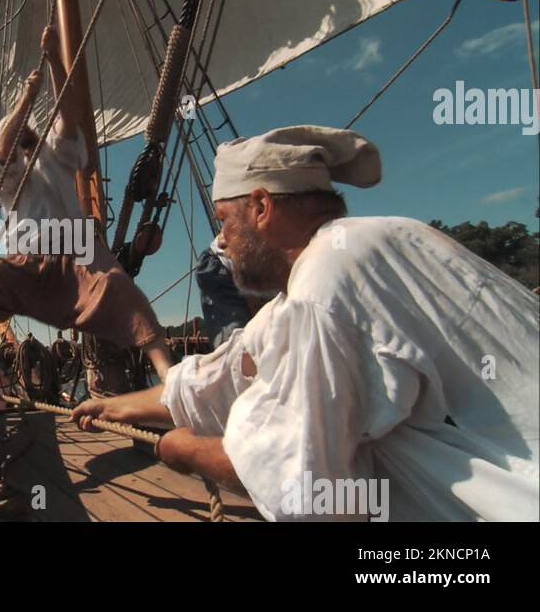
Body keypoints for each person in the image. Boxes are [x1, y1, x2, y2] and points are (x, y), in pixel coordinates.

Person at [72, 125, 539, 521]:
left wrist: (184, 452)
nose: (222, 242)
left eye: (225, 221)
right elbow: (228, 372)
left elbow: (310, 485)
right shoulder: (345, 258)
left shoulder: (331, 273)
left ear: (261, 206)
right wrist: (116, 408)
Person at [0, 25, 174, 384]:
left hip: (77, 253)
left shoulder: (60, 153)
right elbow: (2, 145)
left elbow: (67, 114)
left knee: (119, 289)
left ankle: (168, 376)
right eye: (18, 126)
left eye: (26, 125)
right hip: (27, 263)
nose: (22, 130)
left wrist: (54, 62)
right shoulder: (8, 175)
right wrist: (25, 98)